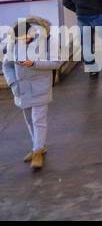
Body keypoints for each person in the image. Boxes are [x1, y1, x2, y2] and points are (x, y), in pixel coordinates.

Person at [3, 16, 61, 169]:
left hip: (40, 87)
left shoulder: (47, 41)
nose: (23, 41)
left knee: (38, 120)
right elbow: (7, 65)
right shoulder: (12, 44)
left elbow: (56, 62)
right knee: (29, 120)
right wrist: (13, 82)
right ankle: (40, 146)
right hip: (21, 89)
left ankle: (37, 153)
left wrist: (33, 63)